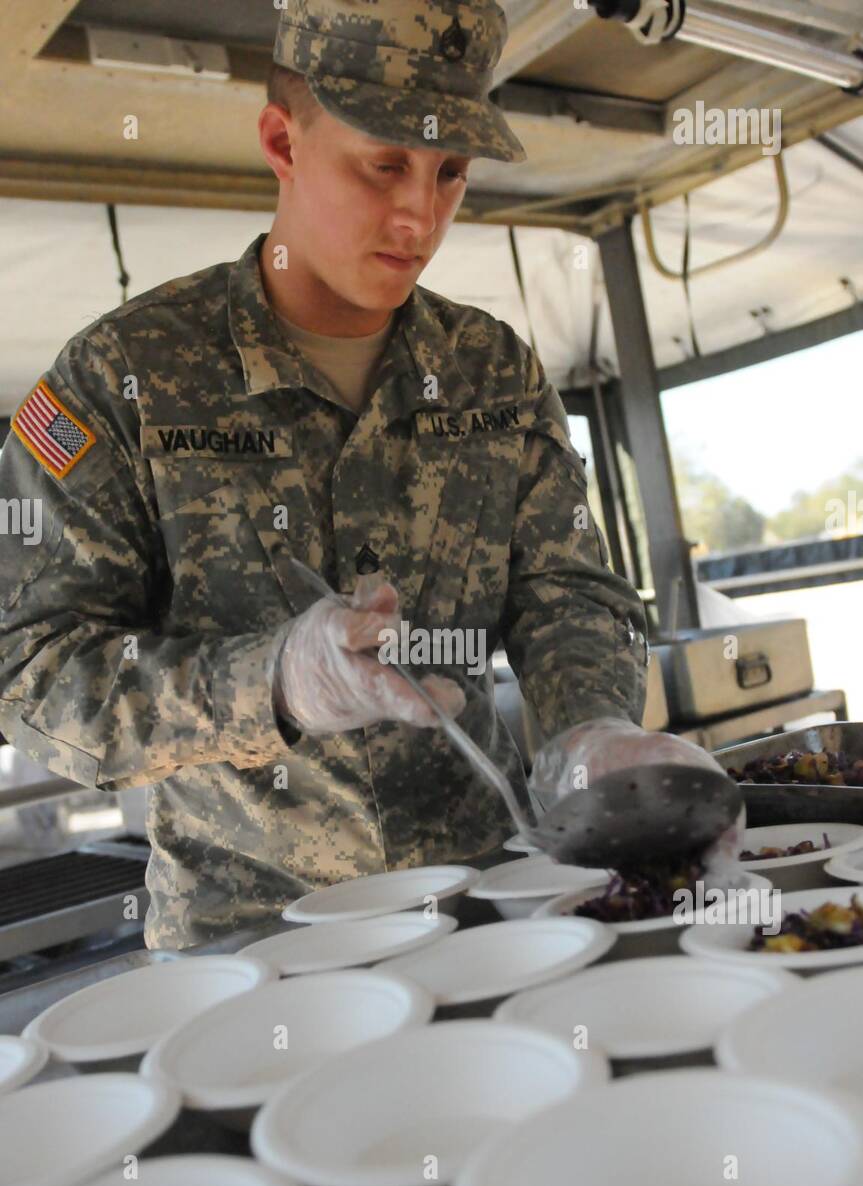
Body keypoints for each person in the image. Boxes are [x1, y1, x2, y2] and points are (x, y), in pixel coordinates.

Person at [0, 0, 720, 951]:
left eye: (450, 172)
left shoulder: (490, 368)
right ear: (281, 140)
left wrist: (589, 728)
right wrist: (275, 682)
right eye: (383, 164)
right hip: (254, 938)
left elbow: (567, 592)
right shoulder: (123, 379)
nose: (420, 214)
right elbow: (32, 676)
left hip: (495, 902)